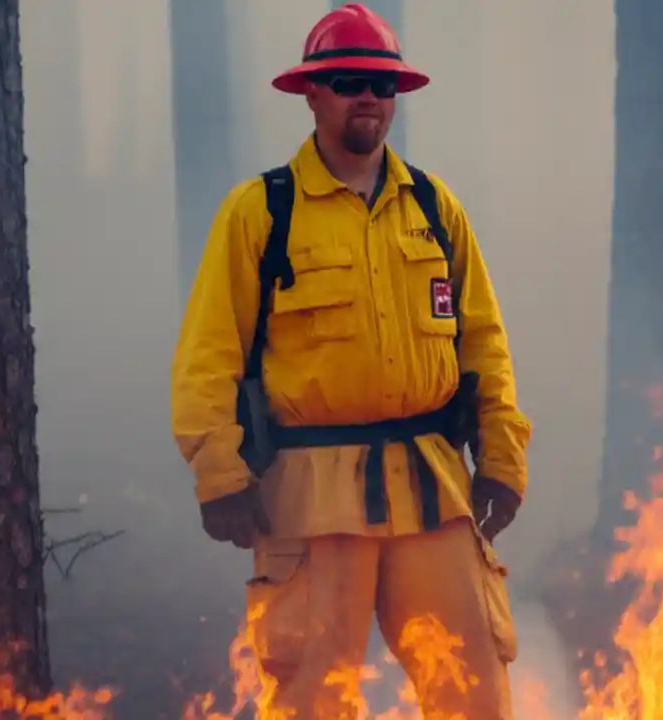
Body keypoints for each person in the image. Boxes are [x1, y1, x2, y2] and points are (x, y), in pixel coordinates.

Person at [170, 4, 532, 717]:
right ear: (312, 93)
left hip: (431, 487)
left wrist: (502, 460)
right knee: (313, 697)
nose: (367, 94)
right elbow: (207, 357)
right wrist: (218, 474)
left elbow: (483, 344)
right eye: (346, 79)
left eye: (381, 82)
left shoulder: (433, 207)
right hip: (312, 496)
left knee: (474, 691)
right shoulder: (261, 213)